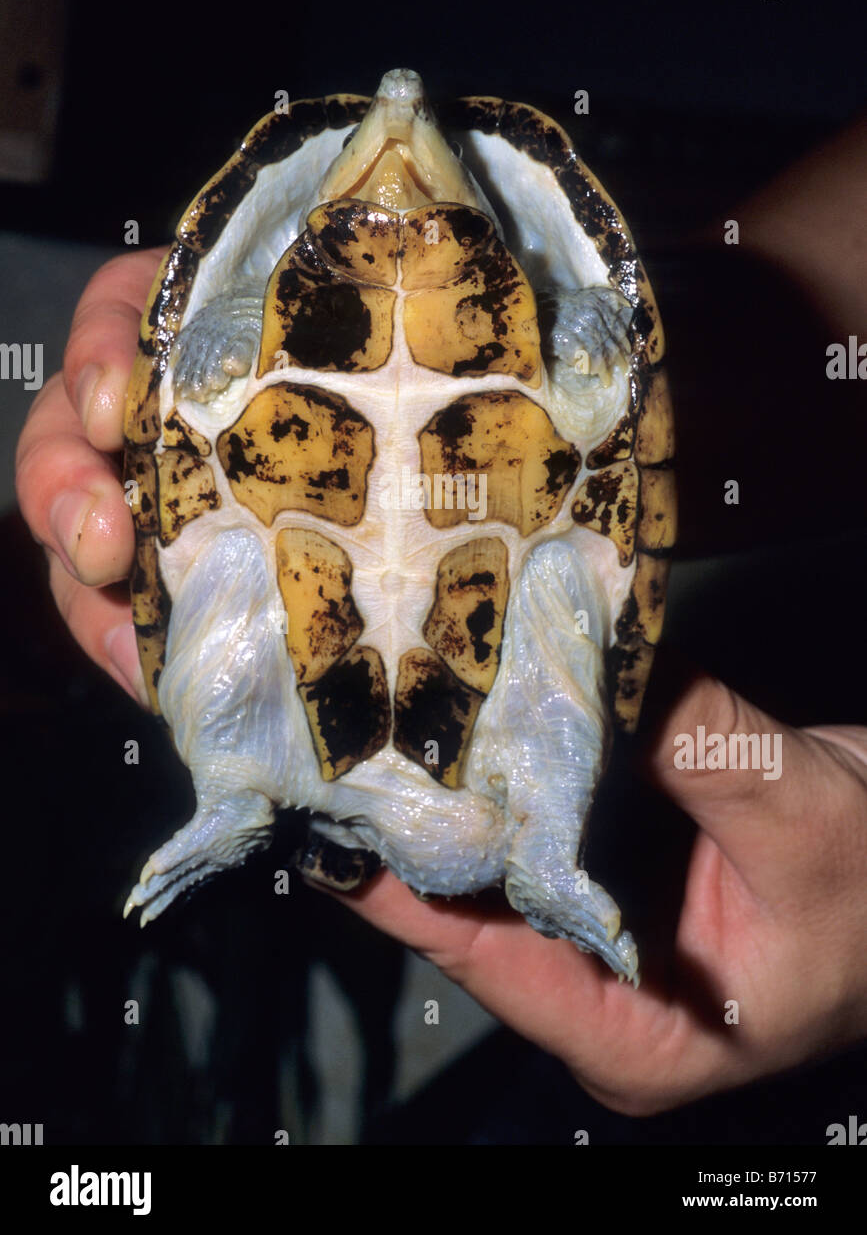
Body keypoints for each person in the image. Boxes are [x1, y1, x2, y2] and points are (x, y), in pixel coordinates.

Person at [15, 116, 867, 1118]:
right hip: (506, 497)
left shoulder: (426, 809)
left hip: (309, 477)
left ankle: (248, 787)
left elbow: (193, 407)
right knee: (533, 643)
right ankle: (466, 830)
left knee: (243, 601)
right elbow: (609, 410)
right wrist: (622, 347)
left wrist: (200, 362)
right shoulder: (457, 798)